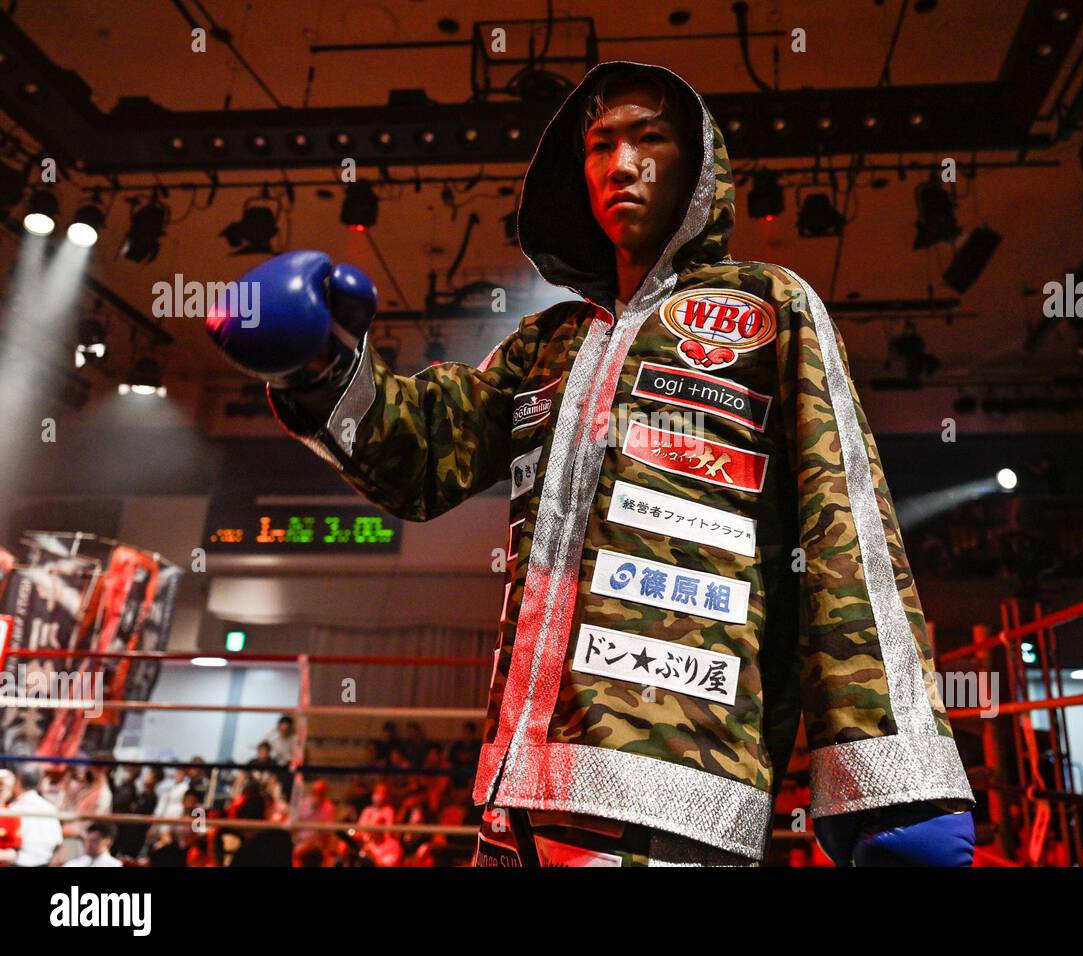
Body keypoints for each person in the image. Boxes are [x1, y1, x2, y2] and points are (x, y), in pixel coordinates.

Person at [208, 60, 974, 867]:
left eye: (651, 138)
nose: (622, 164)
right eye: (601, 144)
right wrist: (321, 365)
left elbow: (845, 525)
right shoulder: (549, 341)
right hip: (517, 799)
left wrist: (898, 778)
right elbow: (425, 458)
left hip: (680, 790)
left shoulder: (768, 306)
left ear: (699, 163)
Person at [0, 765, 63, 867]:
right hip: (42, 862)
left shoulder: (12, 810)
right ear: (39, 784)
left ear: (18, 782)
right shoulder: (50, 808)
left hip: (18, 863)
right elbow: (58, 842)